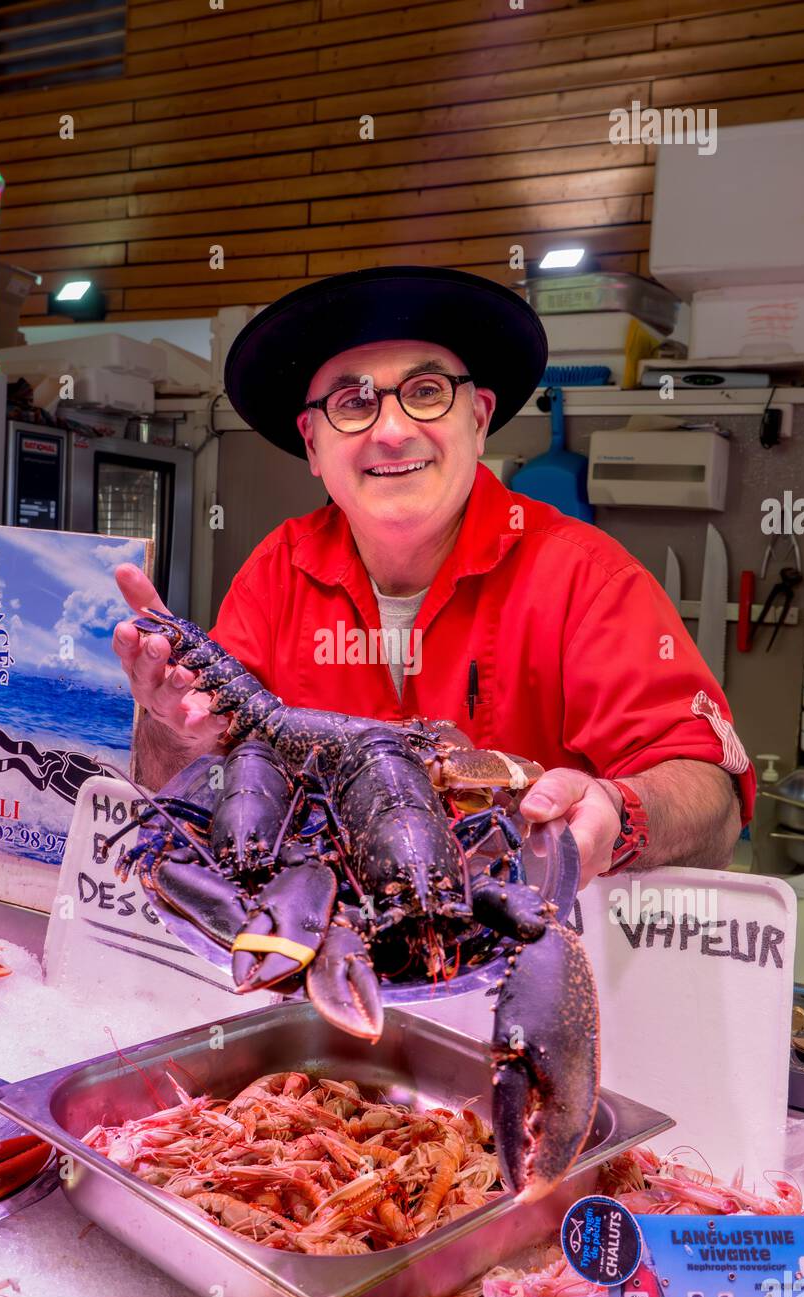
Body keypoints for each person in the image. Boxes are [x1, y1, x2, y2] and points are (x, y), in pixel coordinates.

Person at [114, 266, 754, 885]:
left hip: (531, 955)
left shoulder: (589, 579)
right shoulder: (273, 574)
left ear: (478, 420)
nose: (392, 430)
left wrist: (619, 815)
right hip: (315, 952)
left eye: (426, 392)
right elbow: (175, 783)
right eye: (353, 401)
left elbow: (711, 801)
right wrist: (168, 725)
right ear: (312, 443)